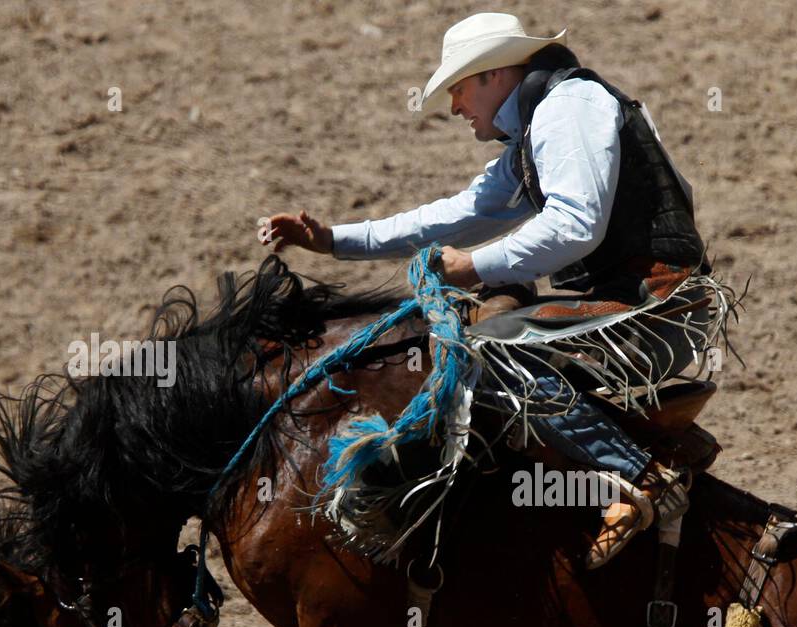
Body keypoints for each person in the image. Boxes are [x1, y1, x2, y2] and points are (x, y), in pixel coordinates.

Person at [262, 12, 710, 568]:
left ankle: (641, 476)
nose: (453, 107)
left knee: (488, 352)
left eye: (456, 88)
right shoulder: (544, 123)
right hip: (638, 299)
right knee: (497, 305)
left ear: (492, 74)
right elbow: (459, 215)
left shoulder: (569, 109)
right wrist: (335, 240)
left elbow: (575, 225)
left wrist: (472, 267)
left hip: (658, 309)